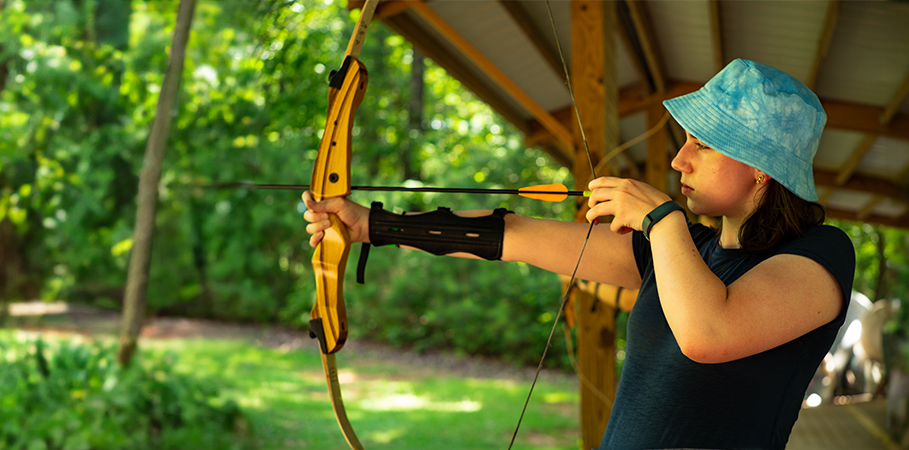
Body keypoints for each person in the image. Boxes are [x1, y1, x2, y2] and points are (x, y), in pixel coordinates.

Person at [303, 59, 855, 450]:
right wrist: (371, 225)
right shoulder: (685, 250)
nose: (680, 160)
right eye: (685, 141)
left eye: (703, 145)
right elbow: (512, 234)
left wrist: (660, 220)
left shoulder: (822, 255)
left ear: (760, 165)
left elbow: (708, 333)